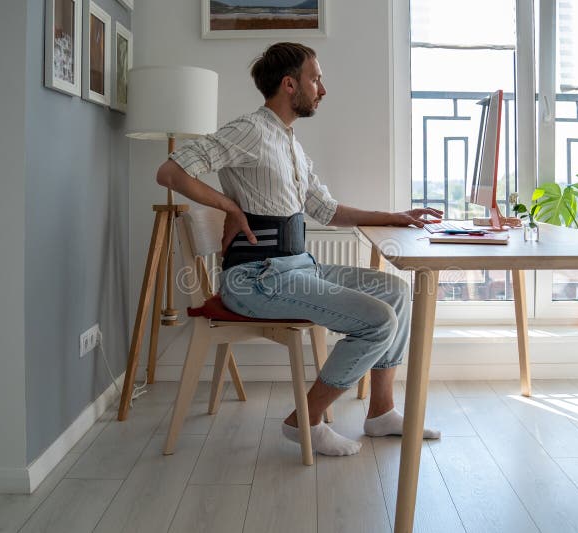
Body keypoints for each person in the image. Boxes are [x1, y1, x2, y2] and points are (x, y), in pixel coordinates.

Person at [156, 42, 442, 456]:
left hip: (296, 268)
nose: (322, 89)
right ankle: (303, 420)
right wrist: (228, 205)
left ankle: (381, 414)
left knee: (396, 293)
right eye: (315, 79)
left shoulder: (289, 142)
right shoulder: (251, 130)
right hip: (255, 279)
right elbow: (170, 170)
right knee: (377, 320)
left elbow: (325, 209)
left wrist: (391, 216)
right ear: (290, 85)